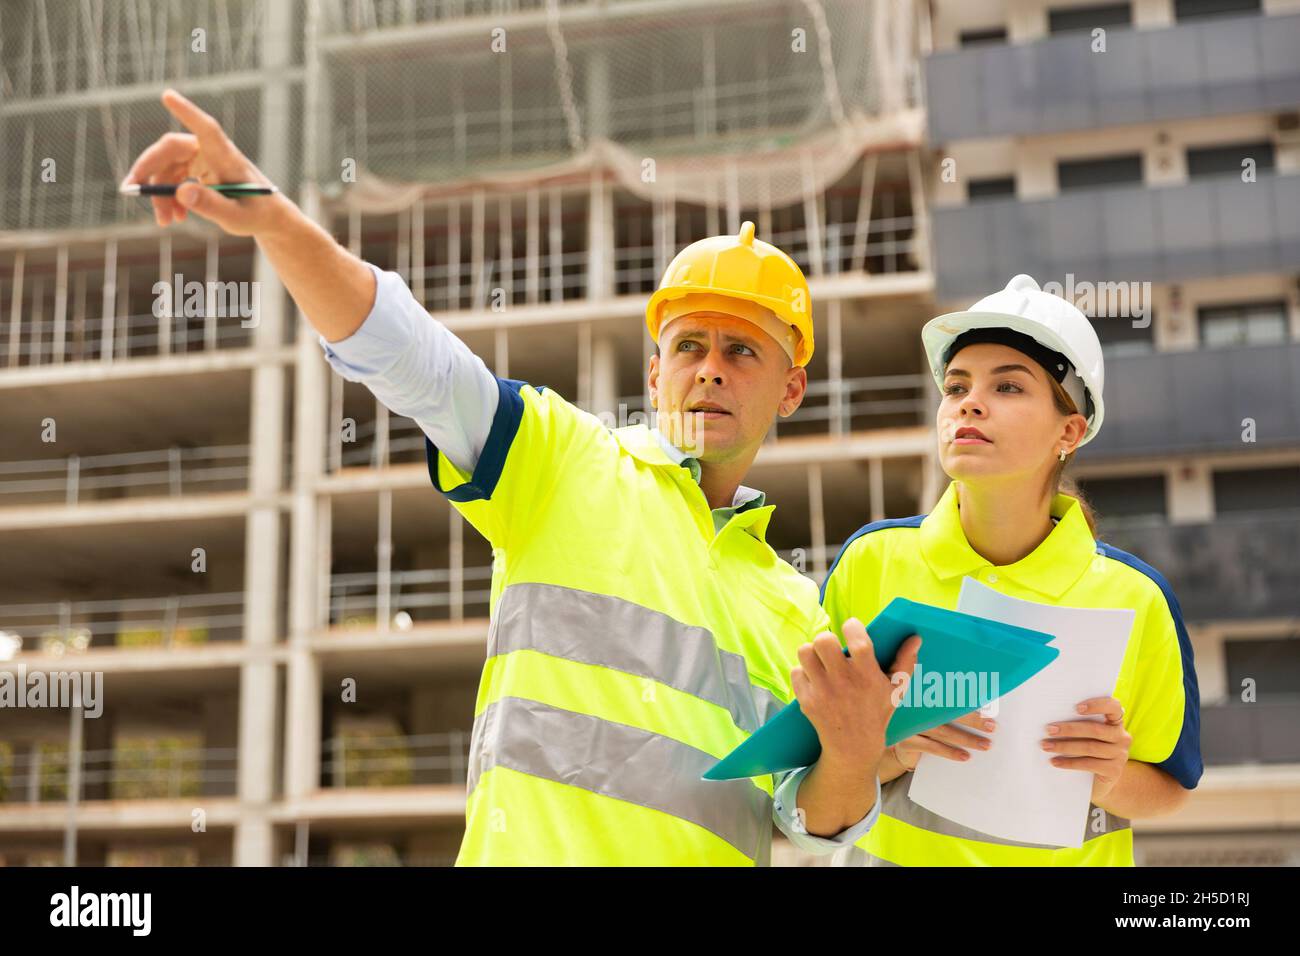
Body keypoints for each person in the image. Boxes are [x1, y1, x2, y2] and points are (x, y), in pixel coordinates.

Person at [122, 88, 917, 866]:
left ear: (790, 388)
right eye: (689, 346)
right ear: (653, 373)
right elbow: (410, 358)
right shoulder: (562, 460)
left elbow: (809, 820)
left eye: (741, 351)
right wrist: (272, 218)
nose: (709, 371)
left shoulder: (796, 604)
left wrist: (854, 751)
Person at [817, 274, 1202, 866]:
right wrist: (898, 747)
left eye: (1008, 387)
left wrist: (1109, 777)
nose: (969, 402)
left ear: (1068, 432)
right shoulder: (871, 562)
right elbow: (809, 767)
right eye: (956, 385)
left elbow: (1171, 789)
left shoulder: (1136, 596)